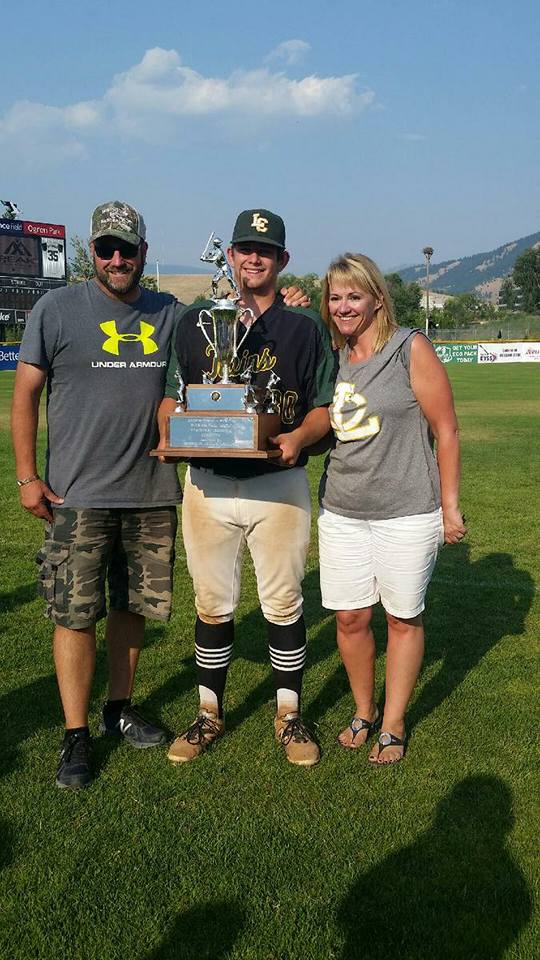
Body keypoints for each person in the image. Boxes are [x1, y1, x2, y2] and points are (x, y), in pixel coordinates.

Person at [11, 200, 185, 789]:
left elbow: (229, 332)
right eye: (106, 248)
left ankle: (119, 708)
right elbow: (26, 394)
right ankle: (76, 734)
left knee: (132, 609)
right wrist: (26, 476)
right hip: (77, 495)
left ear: (143, 250)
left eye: (127, 249)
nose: (117, 259)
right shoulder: (56, 308)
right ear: (92, 251)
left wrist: (283, 302)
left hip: (151, 491)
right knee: (75, 615)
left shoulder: (170, 313)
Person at [158, 208, 337, 767]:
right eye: (244, 248)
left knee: (283, 605)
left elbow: (326, 407)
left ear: (281, 260)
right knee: (212, 605)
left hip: (278, 483)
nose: (253, 257)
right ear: (230, 257)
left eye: (265, 249)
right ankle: (209, 711)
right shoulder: (198, 322)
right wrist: (173, 434)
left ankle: (289, 713)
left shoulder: (303, 329)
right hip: (207, 485)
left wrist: (298, 437)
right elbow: (172, 394)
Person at [317, 253, 466, 765]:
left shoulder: (410, 348)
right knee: (351, 619)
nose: (343, 307)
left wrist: (450, 506)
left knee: (402, 618)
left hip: (406, 511)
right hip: (341, 511)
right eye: (335, 298)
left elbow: (445, 429)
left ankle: (395, 720)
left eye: (354, 296)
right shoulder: (330, 355)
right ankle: (364, 709)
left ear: (377, 298)